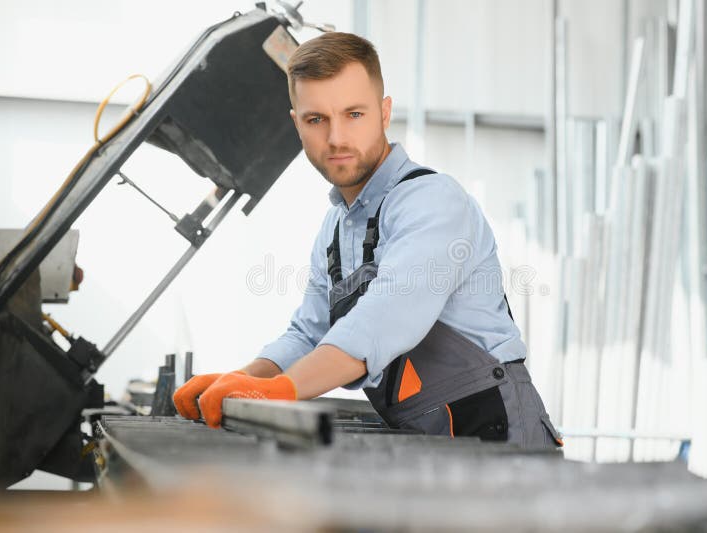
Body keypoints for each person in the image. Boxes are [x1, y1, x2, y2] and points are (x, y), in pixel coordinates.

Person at [173, 31, 561, 450]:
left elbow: (384, 318)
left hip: (496, 432)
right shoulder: (335, 229)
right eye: (316, 119)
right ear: (296, 124)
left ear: (384, 112)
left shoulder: (432, 201)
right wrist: (248, 378)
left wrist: (283, 390)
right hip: (425, 440)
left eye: (353, 114)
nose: (336, 138)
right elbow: (308, 333)